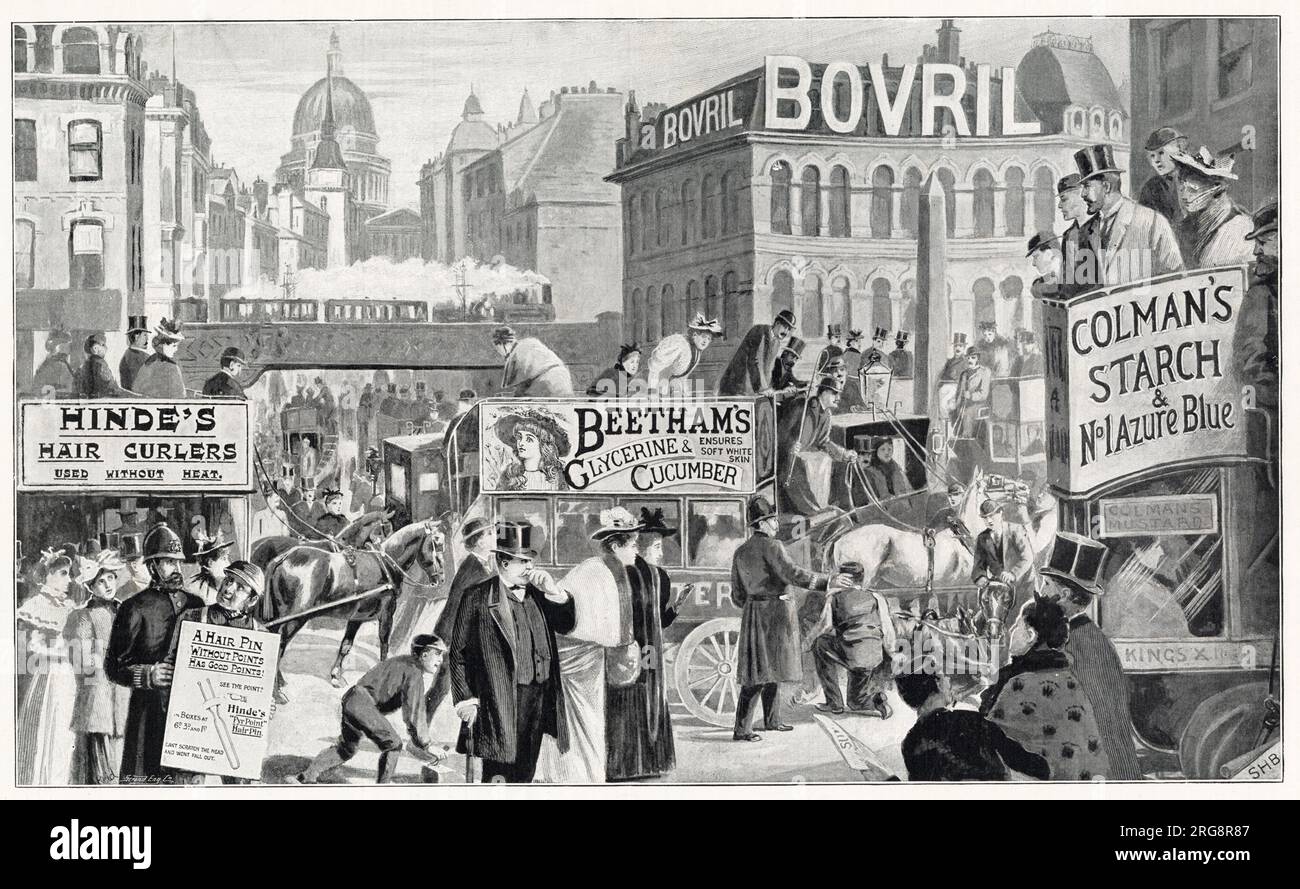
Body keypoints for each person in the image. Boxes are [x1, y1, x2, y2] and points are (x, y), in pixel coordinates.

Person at [450, 522, 577, 783]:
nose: (530, 567)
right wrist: (465, 699)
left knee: (525, 772)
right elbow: (458, 653)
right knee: (498, 774)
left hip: (539, 697)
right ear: (504, 563)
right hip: (499, 699)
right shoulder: (477, 597)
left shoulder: (540, 594)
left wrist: (555, 592)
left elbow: (567, 624)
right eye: (523, 561)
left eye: (531, 560)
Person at [536, 508, 645, 783]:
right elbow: (570, 605)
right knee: (583, 721)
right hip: (578, 659)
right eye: (632, 545)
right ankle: (580, 780)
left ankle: (581, 777)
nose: (636, 551)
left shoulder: (608, 568)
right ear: (616, 545)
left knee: (588, 722)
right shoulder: (598, 570)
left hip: (589, 658)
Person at [731, 496, 851, 741]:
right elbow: (792, 573)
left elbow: (737, 594)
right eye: (771, 519)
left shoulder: (740, 552)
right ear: (762, 524)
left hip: (754, 614)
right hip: (775, 614)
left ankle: (772, 721)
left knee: (765, 670)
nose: (776, 523)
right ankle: (742, 730)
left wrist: (754, 606)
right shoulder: (773, 546)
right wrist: (827, 581)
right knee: (762, 674)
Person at [104, 524, 205, 783]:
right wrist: (148, 674)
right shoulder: (133, 608)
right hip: (148, 719)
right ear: (152, 567)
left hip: (189, 714)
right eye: (169, 563)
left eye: (179, 562)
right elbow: (113, 667)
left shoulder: (197, 605)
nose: (177, 569)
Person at [1040, 533, 1144, 780]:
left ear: (1063, 594)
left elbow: (1093, 718)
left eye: (1046, 585)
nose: (1041, 592)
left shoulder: (1080, 642)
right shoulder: (1085, 635)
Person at [979, 596, 1110, 780]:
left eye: (1017, 626)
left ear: (1031, 636)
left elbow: (989, 736)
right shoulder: (1069, 680)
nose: (1011, 630)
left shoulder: (1018, 683)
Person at [165, 560, 269, 784]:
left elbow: (268, 687)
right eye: (229, 580)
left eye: (240, 587)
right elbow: (171, 666)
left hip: (236, 730)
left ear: (252, 600)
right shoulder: (191, 618)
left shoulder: (260, 633)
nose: (229, 589)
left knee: (239, 782)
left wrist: (266, 704)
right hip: (194, 727)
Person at [606, 508, 689, 781]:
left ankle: (629, 765)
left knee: (635, 696)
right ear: (640, 546)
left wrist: (676, 605)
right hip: (641, 650)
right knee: (644, 695)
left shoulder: (651, 575)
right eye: (656, 546)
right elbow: (657, 620)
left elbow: (661, 620)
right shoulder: (645, 574)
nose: (660, 552)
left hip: (634, 650)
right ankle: (643, 763)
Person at [298, 635, 449, 784]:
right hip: (363, 705)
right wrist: (427, 745)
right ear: (424, 654)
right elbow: (415, 714)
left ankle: (307, 775)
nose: (441, 660)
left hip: (351, 699)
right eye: (437, 654)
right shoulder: (414, 673)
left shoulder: (402, 662)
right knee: (394, 745)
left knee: (346, 749)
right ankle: (382, 789)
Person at [897, 668, 1049, 781]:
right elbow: (1020, 759)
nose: (948, 681)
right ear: (937, 683)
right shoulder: (972, 720)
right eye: (944, 677)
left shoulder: (910, 743)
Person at [1072, 144, 1183, 289]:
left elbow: (1177, 279)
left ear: (1106, 187)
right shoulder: (1086, 231)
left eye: (1087, 186)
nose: (1083, 194)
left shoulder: (1152, 222)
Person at [66, 550, 132, 785]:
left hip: (122, 695)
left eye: (111, 579)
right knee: (101, 768)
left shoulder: (124, 610)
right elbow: (81, 658)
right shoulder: (83, 616)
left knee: (122, 755)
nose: (107, 585)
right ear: (91, 587)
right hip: (98, 697)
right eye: (100, 581)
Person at [16, 548, 80, 784]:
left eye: (69, 574)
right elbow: (30, 648)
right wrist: (61, 652)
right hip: (48, 676)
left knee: (65, 735)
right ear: (47, 575)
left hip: (69, 678)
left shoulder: (70, 605)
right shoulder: (35, 604)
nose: (69, 579)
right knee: (46, 730)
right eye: (63, 573)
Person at [808, 560, 894, 719]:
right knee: (855, 703)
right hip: (873, 656)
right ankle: (876, 702)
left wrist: (807, 641)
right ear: (861, 579)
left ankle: (834, 703)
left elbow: (824, 626)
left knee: (820, 644)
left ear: (844, 579)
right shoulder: (876, 597)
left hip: (851, 653)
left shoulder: (834, 598)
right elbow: (887, 628)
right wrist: (891, 652)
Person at [1236, 201, 1279, 480]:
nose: (1256, 250)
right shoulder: (1261, 294)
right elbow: (1251, 365)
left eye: (1264, 242)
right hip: (1277, 424)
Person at [775, 378, 856, 515]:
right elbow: (781, 432)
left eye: (839, 394)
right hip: (787, 459)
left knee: (837, 463)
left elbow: (823, 442)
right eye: (834, 393)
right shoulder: (802, 407)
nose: (838, 398)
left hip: (803, 456)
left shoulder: (827, 415)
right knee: (799, 469)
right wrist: (790, 445)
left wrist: (843, 454)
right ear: (823, 393)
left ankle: (835, 507)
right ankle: (813, 511)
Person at [1171, 146, 1253, 268]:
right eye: (1182, 187)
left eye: (1192, 189)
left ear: (1217, 187)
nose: (1183, 196)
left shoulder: (1239, 227)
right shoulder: (1183, 227)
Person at [718, 308, 796, 396]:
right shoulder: (760, 331)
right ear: (777, 323)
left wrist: (773, 388)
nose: (786, 332)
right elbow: (755, 361)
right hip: (737, 387)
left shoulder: (776, 343)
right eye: (785, 327)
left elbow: (768, 370)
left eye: (789, 329)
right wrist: (762, 388)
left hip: (752, 390)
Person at [493, 407, 571, 492]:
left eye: (529, 439)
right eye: (519, 437)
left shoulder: (556, 475)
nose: (521, 443)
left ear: (543, 444)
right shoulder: (510, 474)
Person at [645, 313, 723, 397]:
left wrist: (685, 394)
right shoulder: (679, 343)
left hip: (670, 388)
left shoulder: (696, 352)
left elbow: (681, 377)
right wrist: (652, 391)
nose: (706, 341)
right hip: (655, 385)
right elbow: (655, 368)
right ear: (694, 335)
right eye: (703, 336)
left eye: (709, 339)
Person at [493, 325, 574, 398]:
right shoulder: (532, 342)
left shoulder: (514, 355)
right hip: (563, 376)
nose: (500, 352)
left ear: (501, 345)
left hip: (547, 382)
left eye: (498, 349)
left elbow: (520, 387)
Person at [1138, 126, 1188, 227]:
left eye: (1161, 153)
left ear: (1178, 152)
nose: (1156, 160)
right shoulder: (1150, 188)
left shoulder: (1193, 178)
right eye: (1152, 156)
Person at [132, 319, 188, 399]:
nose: (176, 350)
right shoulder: (172, 368)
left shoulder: (149, 361)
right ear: (162, 345)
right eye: (174, 346)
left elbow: (136, 389)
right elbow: (180, 396)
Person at [75, 333, 130, 398]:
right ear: (95, 348)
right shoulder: (101, 363)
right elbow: (113, 387)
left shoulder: (85, 364)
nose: (106, 348)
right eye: (103, 345)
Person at [953, 347, 992, 439]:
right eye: (968, 358)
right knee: (954, 413)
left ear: (978, 358)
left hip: (980, 405)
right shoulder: (964, 374)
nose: (970, 360)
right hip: (965, 404)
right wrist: (955, 405)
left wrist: (971, 396)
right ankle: (957, 441)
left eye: (973, 358)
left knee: (967, 413)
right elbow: (959, 393)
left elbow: (984, 394)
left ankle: (967, 439)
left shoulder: (984, 372)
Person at [925, 482, 974, 552]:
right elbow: (927, 528)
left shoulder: (968, 514)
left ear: (963, 496)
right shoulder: (942, 513)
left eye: (955, 495)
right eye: (949, 496)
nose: (952, 498)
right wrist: (930, 531)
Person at [189, 530, 234, 605]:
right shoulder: (195, 588)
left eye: (227, 558)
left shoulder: (226, 585)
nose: (228, 563)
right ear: (210, 563)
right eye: (223, 559)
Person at [32, 328, 76, 397]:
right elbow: (70, 388)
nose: (68, 349)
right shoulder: (59, 365)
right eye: (66, 344)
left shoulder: (46, 364)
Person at [1027, 230, 1063, 300]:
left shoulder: (1067, 281)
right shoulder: (1050, 278)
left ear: (1049, 254)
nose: (1033, 263)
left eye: (1036, 257)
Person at [119, 315, 152, 391]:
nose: (147, 339)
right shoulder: (132, 357)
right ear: (137, 337)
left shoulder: (129, 354)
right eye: (145, 335)